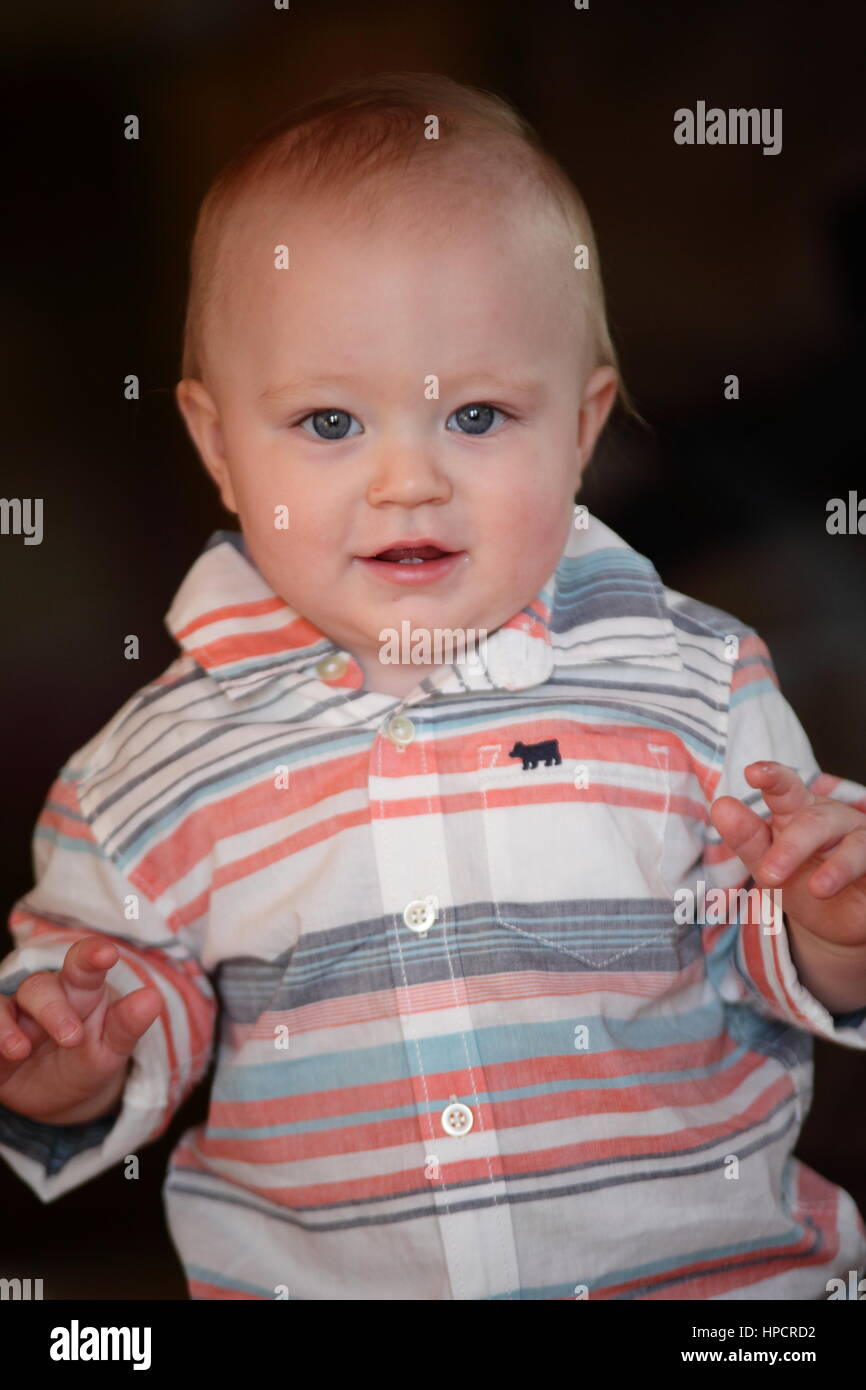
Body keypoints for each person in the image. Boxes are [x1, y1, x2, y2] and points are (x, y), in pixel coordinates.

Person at [2, 71, 865, 1301]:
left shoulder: (688, 683)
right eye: (327, 423)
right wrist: (73, 1054)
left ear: (580, 425)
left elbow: (768, 941)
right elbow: (112, 978)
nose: (407, 479)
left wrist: (832, 930)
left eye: (473, 414)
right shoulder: (149, 770)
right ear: (215, 445)